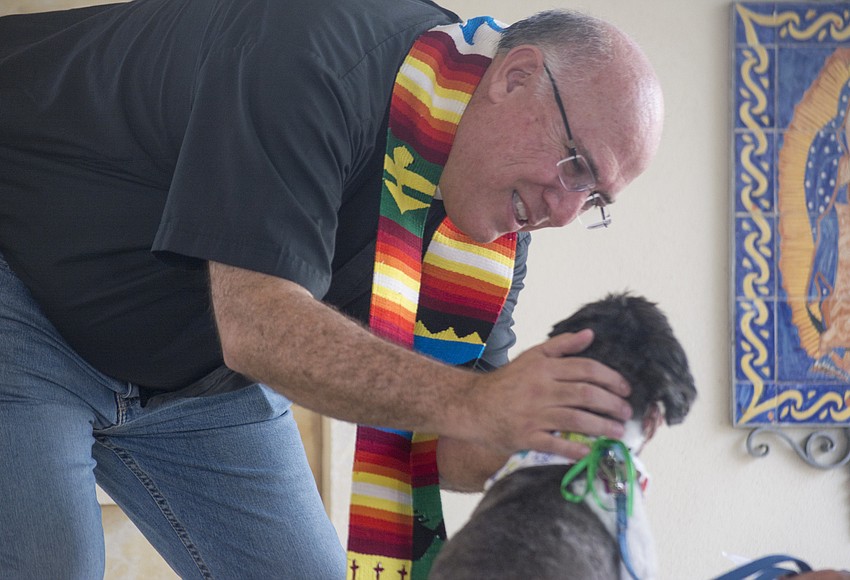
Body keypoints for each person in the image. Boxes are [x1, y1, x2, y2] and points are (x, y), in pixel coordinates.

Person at [0, 0, 664, 578]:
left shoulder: (490, 237)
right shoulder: (317, 49)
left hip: (193, 380)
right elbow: (259, 326)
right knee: (49, 564)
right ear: (516, 77)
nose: (566, 210)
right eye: (577, 166)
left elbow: (457, 449)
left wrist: (555, 431)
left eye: (595, 198)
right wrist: (480, 402)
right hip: (25, 286)